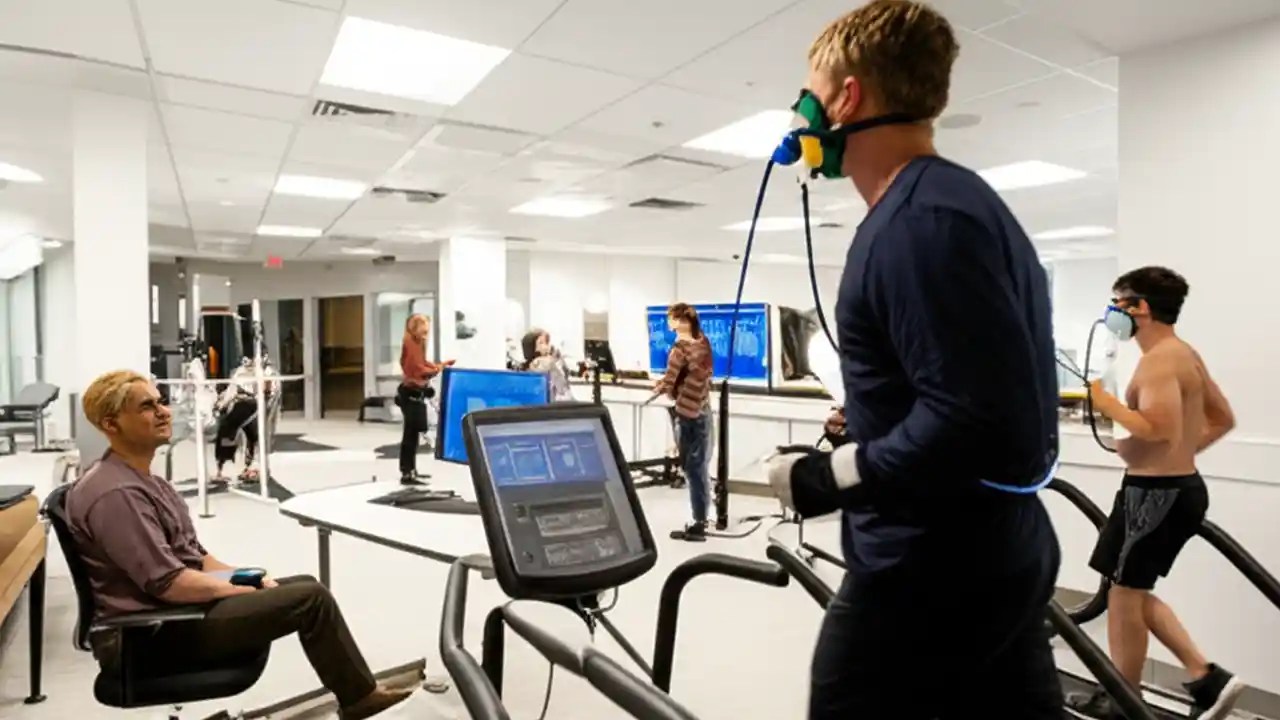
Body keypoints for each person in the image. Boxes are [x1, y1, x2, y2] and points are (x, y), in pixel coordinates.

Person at [762, 3, 1063, 717]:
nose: (802, 112)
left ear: (845, 98)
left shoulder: (920, 224)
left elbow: (972, 421)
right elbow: (961, 385)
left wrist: (825, 476)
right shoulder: (950, 203)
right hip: (980, 552)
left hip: (929, 569)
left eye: (810, 92)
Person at [65, 370, 412, 720]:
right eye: (146, 406)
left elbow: (195, 557)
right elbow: (169, 583)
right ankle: (360, 700)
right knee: (310, 600)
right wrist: (239, 588)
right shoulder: (116, 494)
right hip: (148, 636)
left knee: (303, 584)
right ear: (111, 424)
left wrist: (246, 577)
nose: (163, 411)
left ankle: (358, 695)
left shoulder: (145, 480)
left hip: (170, 615)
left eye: (160, 402)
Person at [1071, 267, 1244, 720]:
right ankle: (1200, 680)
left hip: (1158, 495)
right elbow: (1221, 418)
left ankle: (1129, 700)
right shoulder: (1181, 353)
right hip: (1155, 488)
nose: (1111, 312)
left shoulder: (1162, 360)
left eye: (1117, 302)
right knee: (1128, 592)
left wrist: (1108, 406)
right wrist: (1177, 458)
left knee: (1126, 596)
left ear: (1139, 308)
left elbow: (1159, 427)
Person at [654, 303, 714, 541]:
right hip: (704, 409)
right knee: (701, 466)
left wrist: (661, 388)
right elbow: (700, 375)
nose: (669, 323)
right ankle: (702, 517)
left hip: (688, 414)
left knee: (692, 467)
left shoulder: (679, 350)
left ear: (680, 321)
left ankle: (698, 522)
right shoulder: (703, 343)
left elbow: (669, 383)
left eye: (671, 319)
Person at [397, 314, 451, 486]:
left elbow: (423, 363)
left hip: (416, 391)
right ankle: (407, 472)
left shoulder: (419, 344)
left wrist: (439, 366)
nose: (427, 332)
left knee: (413, 433)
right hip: (410, 392)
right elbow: (416, 369)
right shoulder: (410, 344)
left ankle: (411, 469)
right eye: (424, 328)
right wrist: (437, 369)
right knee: (410, 434)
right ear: (415, 328)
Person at [212, 355, 277, 483]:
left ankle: (230, 467)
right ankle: (235, 466)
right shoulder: (242, 372)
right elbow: (232, 391)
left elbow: (266, 390)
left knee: (229, 429)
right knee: (245, 433)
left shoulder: (264, 372)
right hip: (250, 404)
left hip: (252, 404)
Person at [519, 328, 573, 401]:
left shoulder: (525, 368)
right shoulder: (548, 363)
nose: (549, 346)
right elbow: (563, 390)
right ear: (534, 347)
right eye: (544, 342)